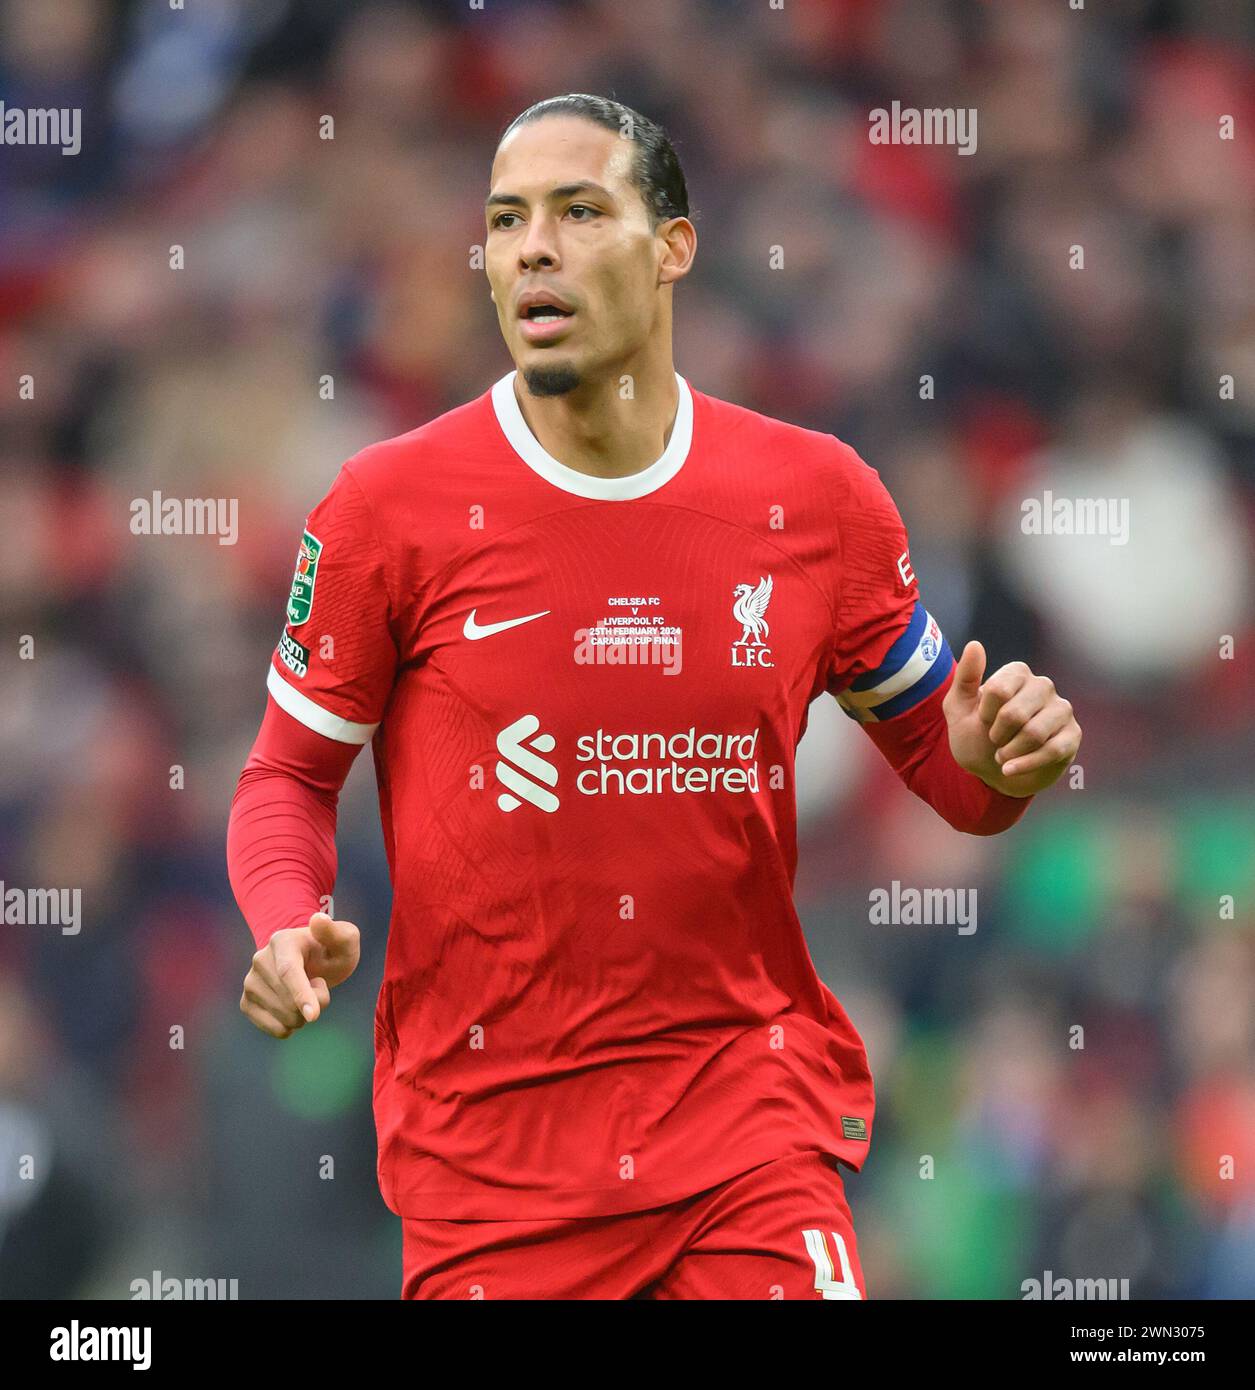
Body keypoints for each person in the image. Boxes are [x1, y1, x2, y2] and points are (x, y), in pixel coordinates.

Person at [226, 93, 1082, 1300]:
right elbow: (287, 777)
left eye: (580, 212)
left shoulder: (815, 499)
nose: (534, 246)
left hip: (746, 1125)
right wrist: (280, 919)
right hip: (492, 1166)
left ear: (673, 246)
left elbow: (954, 779)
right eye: (507, 220)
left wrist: (999, 762)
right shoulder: (389, 510)